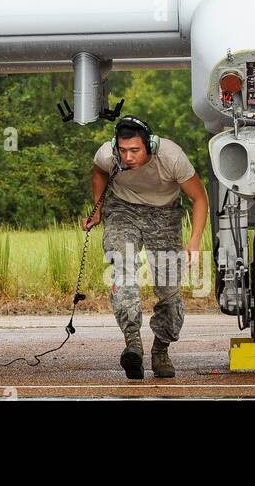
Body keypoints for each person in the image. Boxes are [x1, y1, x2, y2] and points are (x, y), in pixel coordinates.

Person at [81, 116, 209, 379]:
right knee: (123, 270)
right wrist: (98, 209)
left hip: (164, 214)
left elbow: (199, 197)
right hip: (123, 211)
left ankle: (160, 350)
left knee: (169, 290)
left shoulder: (171, 157)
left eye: (135, 150)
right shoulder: (109, 155)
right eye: (123, 150)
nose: (128, 157)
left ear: (149, 145)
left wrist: (194, 240)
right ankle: (133, 345)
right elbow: (98, 171)